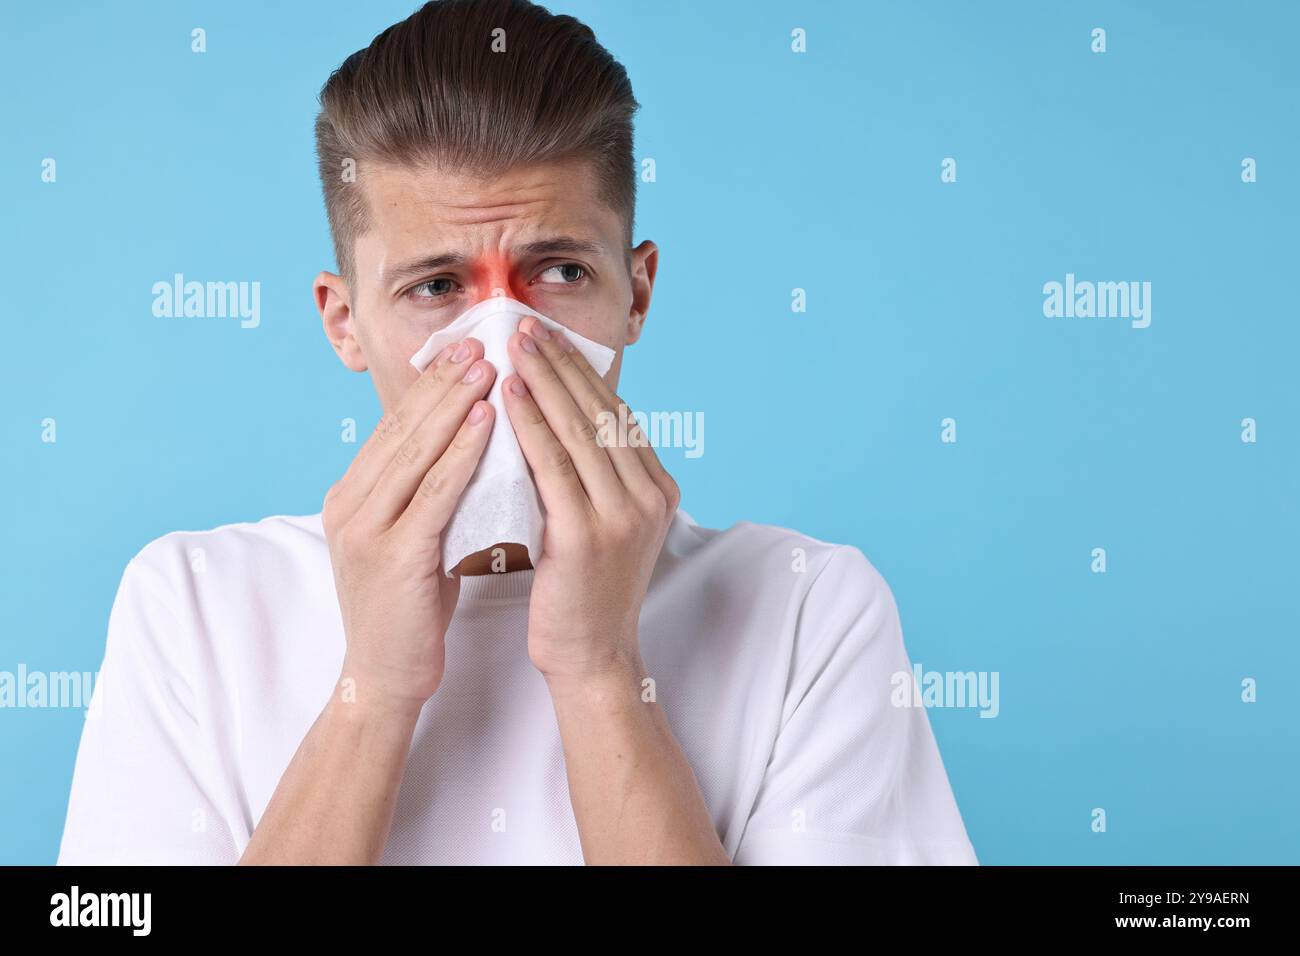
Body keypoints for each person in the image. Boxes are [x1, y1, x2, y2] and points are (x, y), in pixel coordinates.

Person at [56, 0, 978, 865]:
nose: (504, 340)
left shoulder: (808, 613)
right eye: (435, 287)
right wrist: (372, 692)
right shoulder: (193, 609)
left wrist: (599, 670)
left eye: (560, 272)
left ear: (636, 294)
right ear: (345, 323)